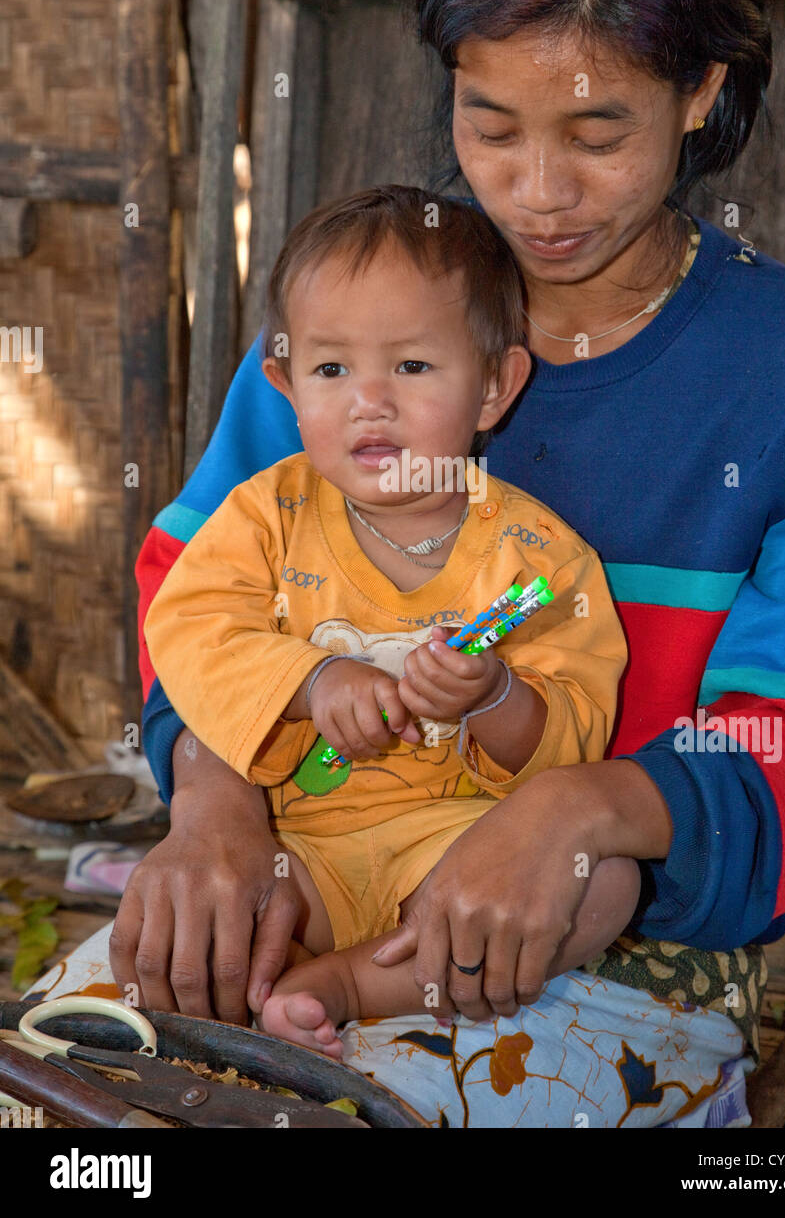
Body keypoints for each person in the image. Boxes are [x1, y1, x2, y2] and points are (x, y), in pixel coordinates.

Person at [112, 0, 785, 1126]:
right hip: (303, 855)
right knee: (96, 1079)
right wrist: (215, 797)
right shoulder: (354, 331)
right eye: (489, 122)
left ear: (701, 90)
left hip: (629, 931)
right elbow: (194, 586)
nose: (535, 192)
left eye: (595, 130)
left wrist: (589, 804)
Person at [142, 185, 635, 1056]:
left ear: (494, 386)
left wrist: (492, 697)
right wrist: (312, 679)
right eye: (331, 370)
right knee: (181, 914)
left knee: (606, 886)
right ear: (286, 387)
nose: (369, 400)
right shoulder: (266, 516)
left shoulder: (539, 560)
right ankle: (274, 972)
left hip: (454, 856)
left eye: (410, 367)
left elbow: (578, 730)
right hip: (293, 848)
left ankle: (346, 986)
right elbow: (190, 630)